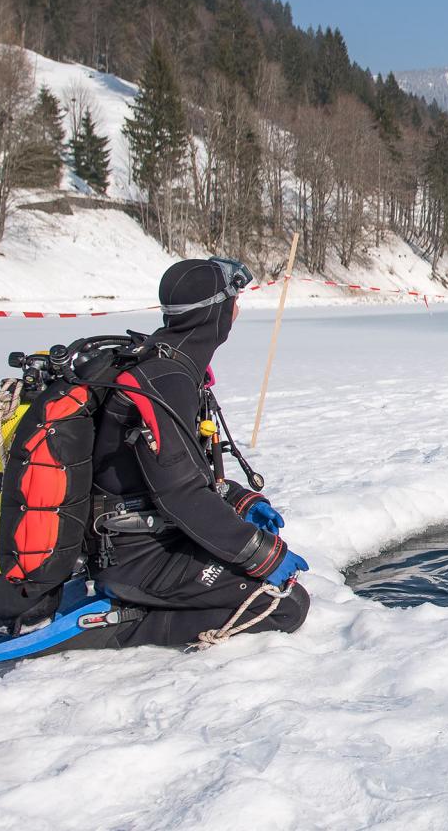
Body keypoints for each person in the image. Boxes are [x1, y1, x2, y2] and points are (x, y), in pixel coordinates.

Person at [86, 256, 312, 646]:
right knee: (284, 604)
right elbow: (180, 495)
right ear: (218, 312)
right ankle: (121, 629)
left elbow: (180, 474)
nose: (237, 311)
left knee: (268, 576)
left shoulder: (167, 364)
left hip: (145, 536)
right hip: (138, 558)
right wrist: (263, 556)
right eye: (234, 301)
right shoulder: (166, 380)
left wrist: (239, 500)